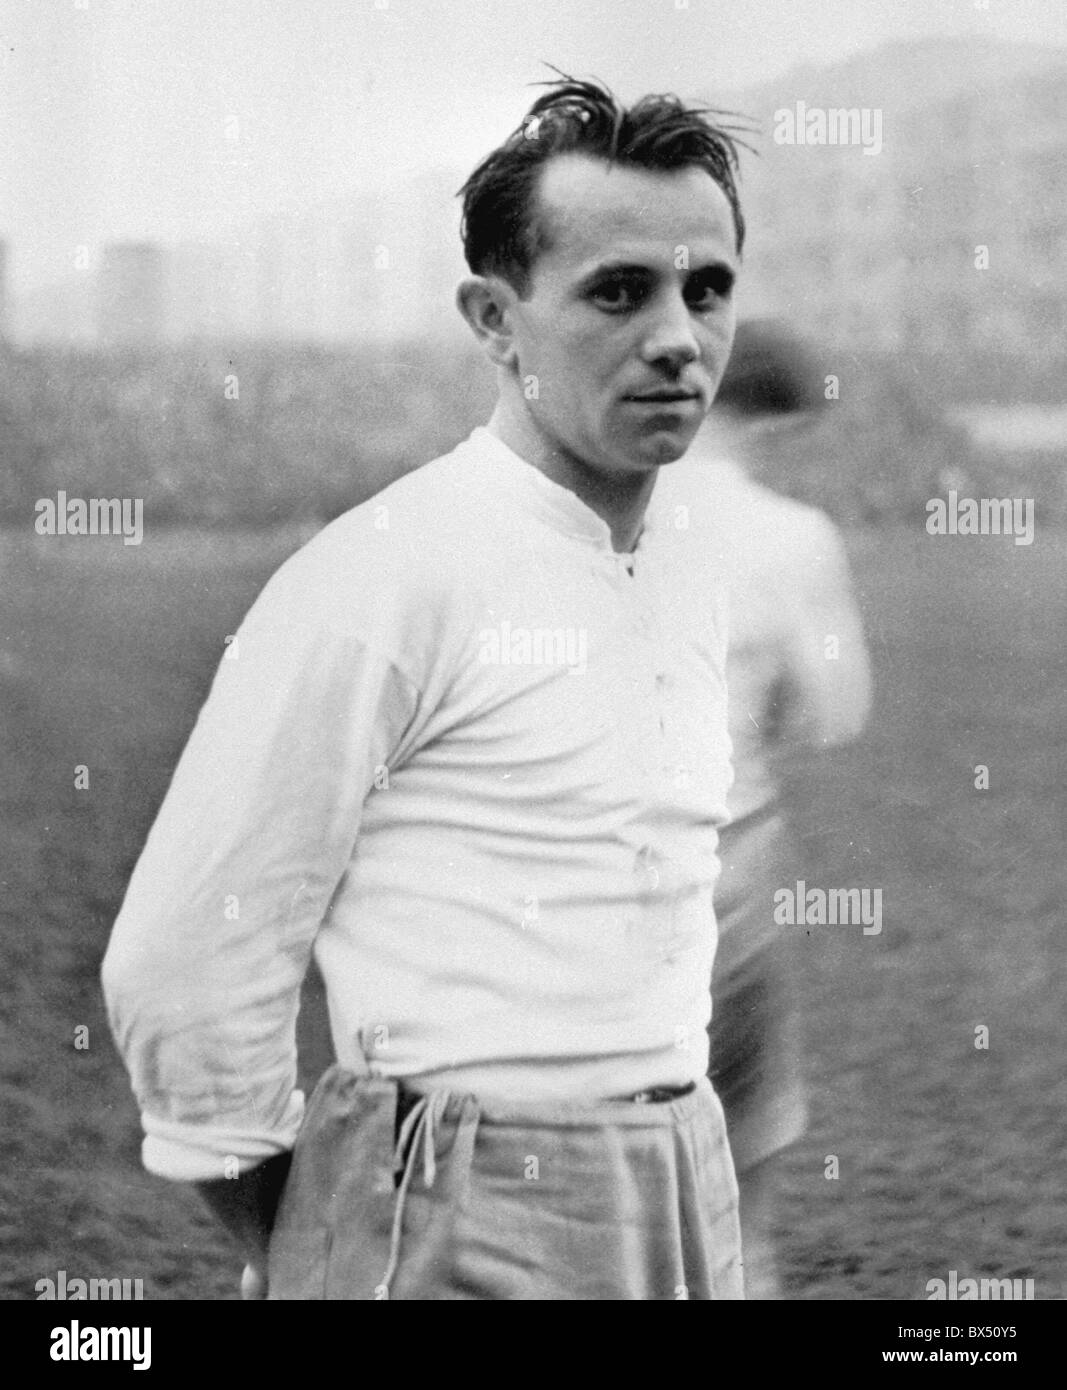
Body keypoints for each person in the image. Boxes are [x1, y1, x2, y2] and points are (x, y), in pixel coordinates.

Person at [102, 76, 751, 1301]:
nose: (677, 333)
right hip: (455, 1191)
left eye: (704, 288)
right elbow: (179, 955)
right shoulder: (383, 574)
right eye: (618, 290)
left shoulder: (690, 558)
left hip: (681, 1174)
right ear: (495, 319)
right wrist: (303, 1222)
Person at [659, 320, 873, 1297]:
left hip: (574, 897)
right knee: (739, 1192)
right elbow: (836, 712)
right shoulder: (791, 536)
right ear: (771, 420)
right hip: (724, 884)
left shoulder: (597, 512)